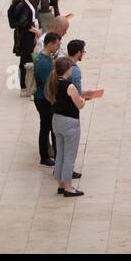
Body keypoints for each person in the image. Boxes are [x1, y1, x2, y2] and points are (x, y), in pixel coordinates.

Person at [48, 56, 86, 196]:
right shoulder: (70, 86)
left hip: (56, 120)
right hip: (70, 122)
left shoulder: (53, 83)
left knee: (60, 154)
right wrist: (83, 100)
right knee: (70, 156)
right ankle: (69, 187)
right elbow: (79, 105)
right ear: (67, 69)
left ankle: (61, 184)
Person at [33, 31, 63, 166]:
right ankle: (45, 156)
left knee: (45, 126)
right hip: (44, 100)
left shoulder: (44, 57)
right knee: (47, 127)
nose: (58, 47)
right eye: (57, 44)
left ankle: (46, 155)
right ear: (50, 44)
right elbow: (48, 84)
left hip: (42, 97)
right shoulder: (44, 63)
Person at [9, 0, 41, 97]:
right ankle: (27, 88)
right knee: (27, 60)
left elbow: (33, 16)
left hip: (32, 34)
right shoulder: (18, 2)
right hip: (25, 36)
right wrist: (35, 30)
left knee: (32, 59)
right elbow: (21, 22)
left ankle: (27, 87)